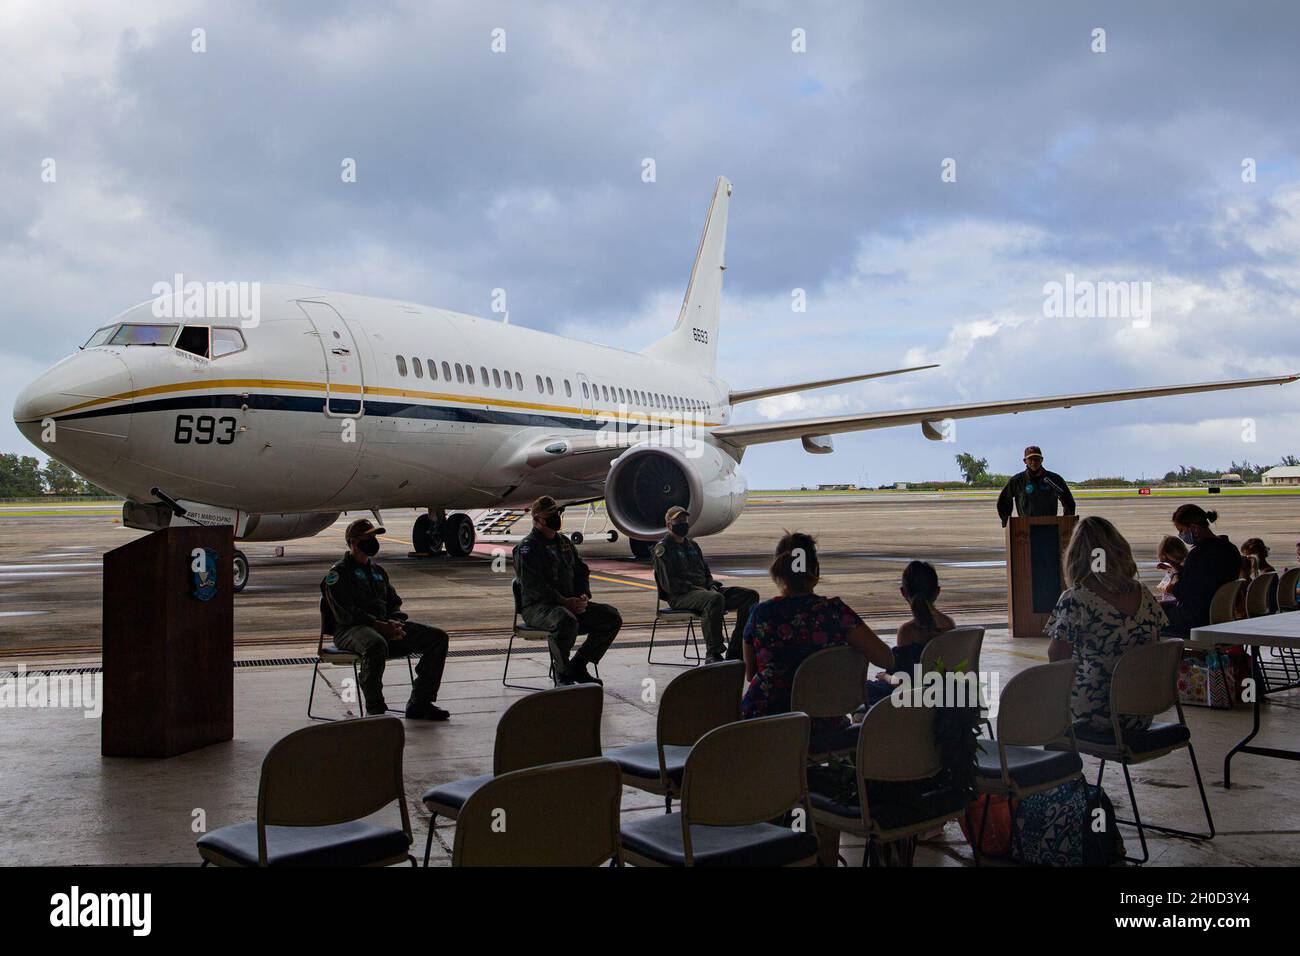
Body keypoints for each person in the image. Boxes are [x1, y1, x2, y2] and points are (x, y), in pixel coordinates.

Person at [741, 532, 893, 743]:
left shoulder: (761, 614)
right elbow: (886, 659)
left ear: (778, 571)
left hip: (770, 721)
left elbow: (750, 674)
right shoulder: (835, 612)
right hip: (824, 723)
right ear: (816, 570)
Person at [1045, 516, 1165, 735]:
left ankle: (1064, 767)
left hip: (1098, 711)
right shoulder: (1144, 594)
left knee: (1035, 706)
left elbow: (1057, 659)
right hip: (1141, 711)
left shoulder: (1076, 598)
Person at [324, 518, 451, 720]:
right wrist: (379, 625)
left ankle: (421, 702)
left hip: (384, 627)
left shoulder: (378, 571)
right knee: (375, 644)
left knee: (437, 638)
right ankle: (376, 708)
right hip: (351, 630)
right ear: (354, 542)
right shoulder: (338, 573)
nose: (373, 541)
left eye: (374, 537)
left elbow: (394, 602)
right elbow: (345, 613)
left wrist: (395, 622)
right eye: (369, 537)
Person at [514, 495, 621, 685]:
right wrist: (564, 601)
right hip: (538, 608)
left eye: (557, 513)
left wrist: (583, 595)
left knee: (610, 617)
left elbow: (581, 570)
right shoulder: (527, 549)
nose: (556, 517)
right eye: (550, 515)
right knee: (565, 620)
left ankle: (578, 665)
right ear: (537, 519)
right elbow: (534, 586)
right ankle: (562, 672)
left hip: (570, 604)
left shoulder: (564, 543)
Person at [652, 505, 759, 663]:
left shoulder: (692, 546)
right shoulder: (663, 549)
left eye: (685, 520)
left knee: (750, 596)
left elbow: (706, 572)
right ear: (669, 525)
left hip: (706, 591)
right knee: (714, 599)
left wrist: (710, 585)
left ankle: (736, 649)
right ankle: (713, 652)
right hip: (681, 595)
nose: (683, 524)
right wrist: (698, 588)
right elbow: (670, 585)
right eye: (678, 521)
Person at [865, 560, 956, 705]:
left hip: (916, 701)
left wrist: (885, 677)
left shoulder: (908, 632)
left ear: (903, 592)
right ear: (938, 591)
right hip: (948, 699)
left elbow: (903, 683)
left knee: (864, 689)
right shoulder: (950, 625)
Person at [1160, 504, 1242, 635]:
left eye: (1182, 530)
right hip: (1219, 614)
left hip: (1197, 619)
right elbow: (1202, 580)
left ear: (1194, 528)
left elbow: (1185, 593)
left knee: (1149, 619)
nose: (1181, 535)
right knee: (1159, 608)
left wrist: (1174, 580)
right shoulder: (1229, 548)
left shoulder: (1200, 554)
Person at [996, 445, 1076, 527]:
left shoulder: (1054, 479)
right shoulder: (1017, 481)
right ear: (1025, 461)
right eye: (1030, 459)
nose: (1034, 462)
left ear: (1042, 460)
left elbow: (1068, 501)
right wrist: (1007, 522)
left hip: (1049, 527)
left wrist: (1067, 522)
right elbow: (1004, 501)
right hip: (1025, 528)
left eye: (1037, 459)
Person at [1155, 534, 1188, 600]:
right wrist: (1168, 567)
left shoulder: (1178, 576)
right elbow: (1178, 568)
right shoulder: (1185, 565)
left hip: (1176, 604)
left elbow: (1169, 590)